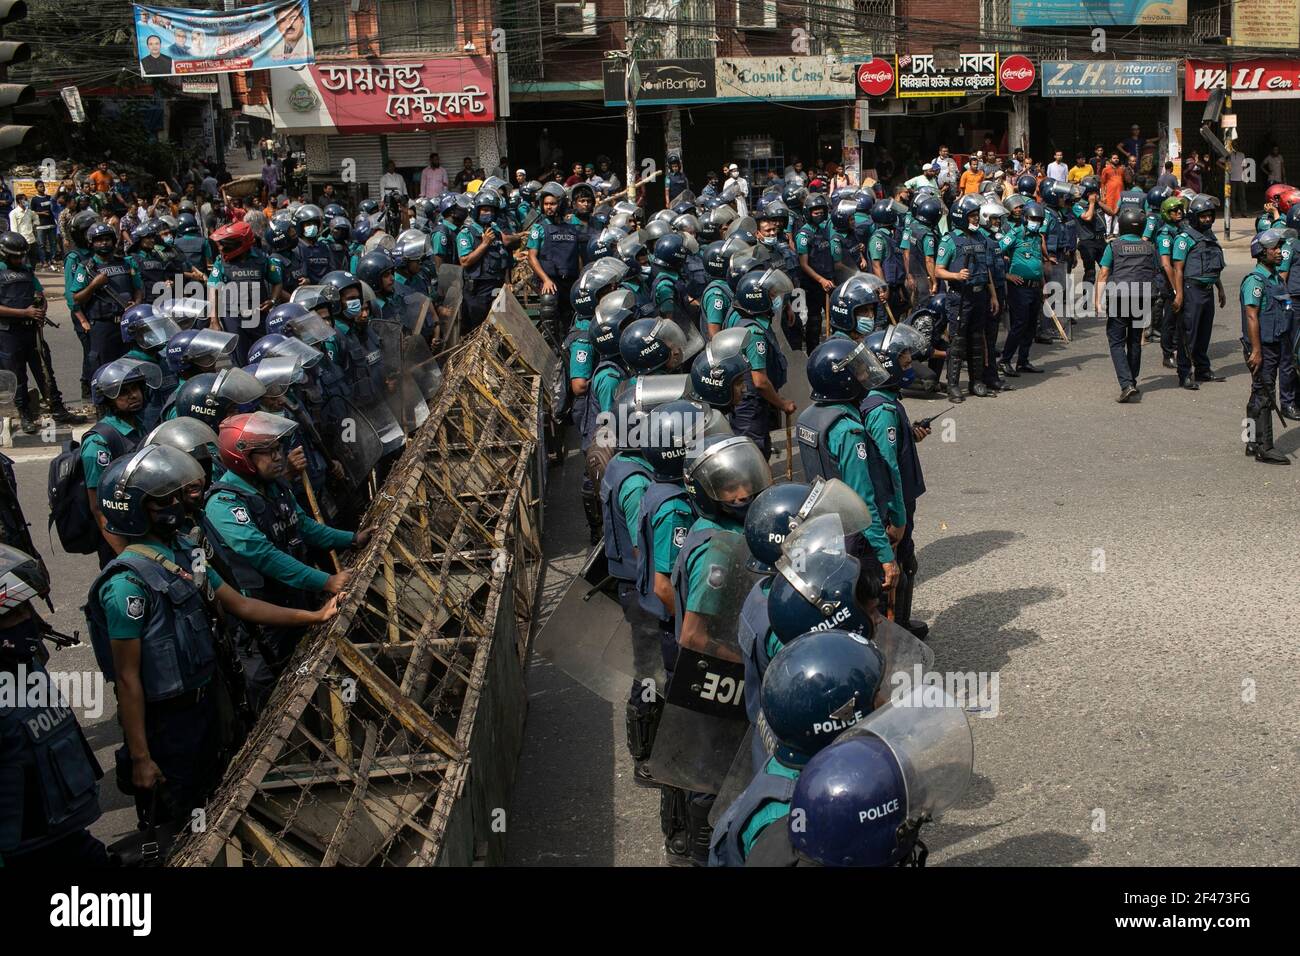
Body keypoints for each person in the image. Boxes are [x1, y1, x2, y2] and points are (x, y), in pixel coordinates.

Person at [87, 444, 339, 838]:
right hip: (168, 724)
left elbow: (240, 604)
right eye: (163, 499)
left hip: (212, 701)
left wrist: (315, 615)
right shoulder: (125, 586)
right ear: (135, 509)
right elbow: (128, 680)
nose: (176, 503)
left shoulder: (186, 551)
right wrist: (140, 757)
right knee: (183, 823)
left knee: (221, 799)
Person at [202, 413, 360, 705]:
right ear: (242, 457)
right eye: (270, 452)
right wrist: (326, 580)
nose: (279, 457)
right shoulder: (225, 504)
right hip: (263, 623)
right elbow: (265, 557)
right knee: (279, 695)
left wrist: (351, 538)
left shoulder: (275, 485)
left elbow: (303, 526)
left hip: (294, 600)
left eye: (280, 449)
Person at [709, 627, 886, 866]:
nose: (887, 704)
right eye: (876, 700)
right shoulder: (786, 820)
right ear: (835, 723)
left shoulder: (807, 766)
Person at [0, 545, 110, 867]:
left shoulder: (25, 664)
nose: (27, 621)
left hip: (62, 836)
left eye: (27, 610)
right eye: (12, 614)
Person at [795, 338, 897, 588]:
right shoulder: (847, 431)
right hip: (852, 535)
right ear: (841, 379)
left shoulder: (809, 417)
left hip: (821, 527)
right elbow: (862, 500)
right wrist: (886, 556)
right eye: (858, 370)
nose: (864, 375)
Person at [861, 324, 930, 634]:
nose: (909, 365)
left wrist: (910, 434)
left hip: (899, 502)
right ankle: (894, 634)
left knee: (905, 563)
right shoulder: (881, 409)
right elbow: (888, 465)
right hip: (894, 505)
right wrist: (897, 515)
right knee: (896, 567)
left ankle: (899, 626)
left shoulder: (885, 400)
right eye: (903, 360)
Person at [0, 231, 81, 433]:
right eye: (15, 256)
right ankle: (25, 414)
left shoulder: (27, 271)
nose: (20, 259)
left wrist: (41, 306)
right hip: (9, 333)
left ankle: (57, 408)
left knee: (45, 370)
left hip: (32, 331)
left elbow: (39, 293)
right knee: (17, 375)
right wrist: (24, 312)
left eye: (22, 255)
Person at [724, 268, 796, 457]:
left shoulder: (746, 322)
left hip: (751, 404)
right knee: (754, 455)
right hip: (751, 407)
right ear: (759, 299)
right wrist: (783, 404)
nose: (777, 299)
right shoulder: (755, 335)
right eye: (772, 296)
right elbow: (760, 381)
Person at [1095, 207, 1161, 403]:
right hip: (1143, 297)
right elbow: (1156, 271)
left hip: (1120, 297)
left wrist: (1097, 300)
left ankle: (1126, 384)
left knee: (1116, 341)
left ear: (1121, 225)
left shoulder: (1114, 246)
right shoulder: (1150, 247)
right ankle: (1131, 380)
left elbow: (1104, 273)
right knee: (1134, 340)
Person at [1241, 228, 1296, 464]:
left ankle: (1251, 440)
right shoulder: (1255, 280)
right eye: (1274, 248)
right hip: (1262, 345)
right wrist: (1255, 350)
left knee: (1258, 393)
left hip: (1277, 342)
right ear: (1261, 252)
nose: (1279, 252)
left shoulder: (1275, 278)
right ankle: (1265, 446)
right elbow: (1252, 316)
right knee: (1264, 394)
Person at [936, 195, 998, 400]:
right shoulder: (950, 240)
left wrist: (993, 296)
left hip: (980, 296)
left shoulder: (981, 237)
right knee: (958, 341)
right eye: (971, 216)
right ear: (961, 217)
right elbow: (938, 270)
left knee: (977, 339)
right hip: (960, 298)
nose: (975, 219)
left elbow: (986, 269)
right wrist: (956, 275)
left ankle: (977, 381)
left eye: (976, 215)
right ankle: (953, 385)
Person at [69, 222, 142, 376]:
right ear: (91, 243)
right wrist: (93, 285)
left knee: (131, 367)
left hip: (127, 324)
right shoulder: (86, 268)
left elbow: (138, 289)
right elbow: (76, 298)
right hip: (102, 326)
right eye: (99, 240)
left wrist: (136, 304)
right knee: (103, 369)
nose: (103, 243)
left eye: (107, 239)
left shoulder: (126, 263)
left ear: (114, 241)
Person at [1171, 195, 1228, 389]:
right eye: (1203, 216)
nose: (1207, 220)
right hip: (1191, 290)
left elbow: (1212, 266)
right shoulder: (1184, 239)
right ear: (1195, 217)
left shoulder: (1209, 236)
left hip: (1207, 290)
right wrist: (1179, 294)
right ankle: (1185, 373)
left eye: (1210, 216)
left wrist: (1219, 288)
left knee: (1204, 333)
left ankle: (1203, 369)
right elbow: (1178, 268)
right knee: (1189, 334)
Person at [207, 221, 281, 364]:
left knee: (265, 357)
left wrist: (273, 300)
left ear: (241, 243)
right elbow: (213, 290)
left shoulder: (262, 259)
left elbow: (277, 282)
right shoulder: (220, 262)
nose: (221, 248)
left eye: (225, 244)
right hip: (233, 318)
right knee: (240, 361)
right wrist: (214, 321)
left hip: (259, 317)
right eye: (220, 244)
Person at [456, 190, 517, 331]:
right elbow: (464, 261)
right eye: (484, 210)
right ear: (476, 211)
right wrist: (484, 244)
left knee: (499, 327)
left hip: (497, 288)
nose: (488, 213)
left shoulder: (496, 231)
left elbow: (504, 257)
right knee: (478, 329)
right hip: (478, 290)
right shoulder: (466, 233)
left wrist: (507, 282)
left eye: (491, 210)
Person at [1100, 153, 1125, 235]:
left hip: (1119, 195)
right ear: (1110, 160)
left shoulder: (1121, 169)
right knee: (1108, 215)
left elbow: (1123, 182)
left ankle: (1115, 233)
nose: (1116, 159)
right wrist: (1103, 196)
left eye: (1117, 158)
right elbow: (1102, 183)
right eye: (1114, 158)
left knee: (1118, 214)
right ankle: (1107, 233)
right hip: (1110, 195)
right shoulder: (1106, 169)